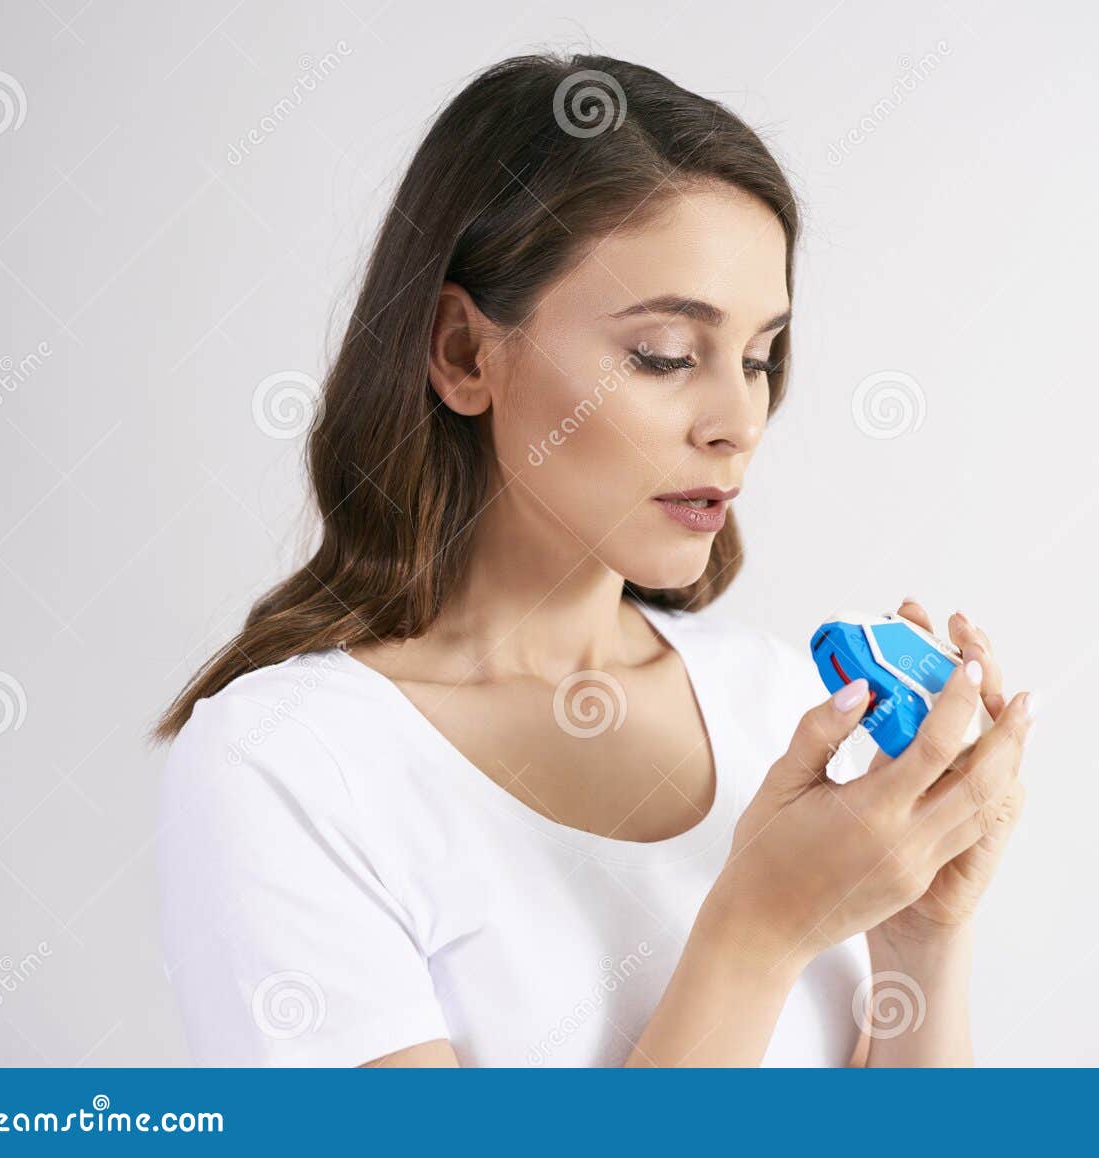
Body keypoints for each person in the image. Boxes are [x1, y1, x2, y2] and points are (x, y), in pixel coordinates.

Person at [153, 53, 1035, 1067]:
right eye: (664, 354)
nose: (738, 420)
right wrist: (755, 932)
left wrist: (920, 936)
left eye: (758, 358)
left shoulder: (782, 707)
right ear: (462, 353)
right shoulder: (287, 768)